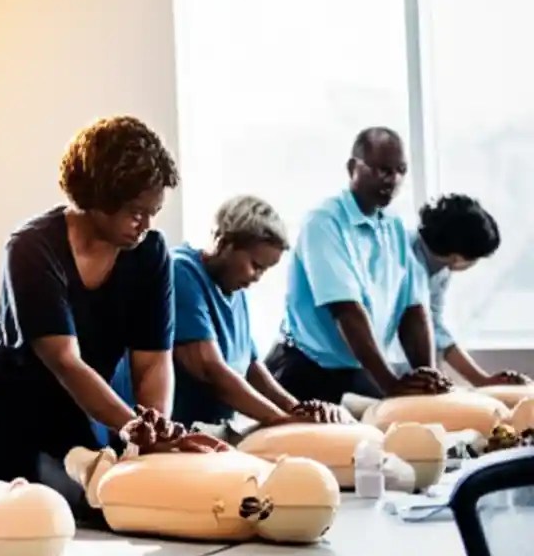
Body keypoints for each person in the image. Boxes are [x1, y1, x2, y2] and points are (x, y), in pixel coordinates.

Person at [0, 116, 227, 487]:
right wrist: (132, 425)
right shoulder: (31, 248)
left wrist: (155, 427)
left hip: (77, 402)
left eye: (153, 213)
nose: (146, 224)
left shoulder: (149, 255)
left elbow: (153, 359)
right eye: (136, 213)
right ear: (100, 198)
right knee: (1, 513)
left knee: (94, 504)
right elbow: (65, 361)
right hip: (4, 399)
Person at [265, 127, 450, 405]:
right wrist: (389, 384)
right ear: (353, 167)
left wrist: (428, 375)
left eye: (401, 171)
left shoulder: (393, 225)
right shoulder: (324, 221)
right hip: (306, 370)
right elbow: (347, 310)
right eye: (382, 170)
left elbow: (413, 310)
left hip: (355, 368)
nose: (393, 180)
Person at [171, 196, 346, 427]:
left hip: (214, 427)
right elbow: (211, 369)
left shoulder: (236, 289)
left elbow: (251, 367)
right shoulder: (180, 271)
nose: (256, 277)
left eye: (264, 270)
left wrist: (296, 409)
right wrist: (281, 420)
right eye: (255, 265)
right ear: (224, 243)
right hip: (179, 429)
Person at [394, 194, 529, 386]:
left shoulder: (440, 269)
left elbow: (436, 329)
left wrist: (482, 380)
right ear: (458, 257)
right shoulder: (398, 252)